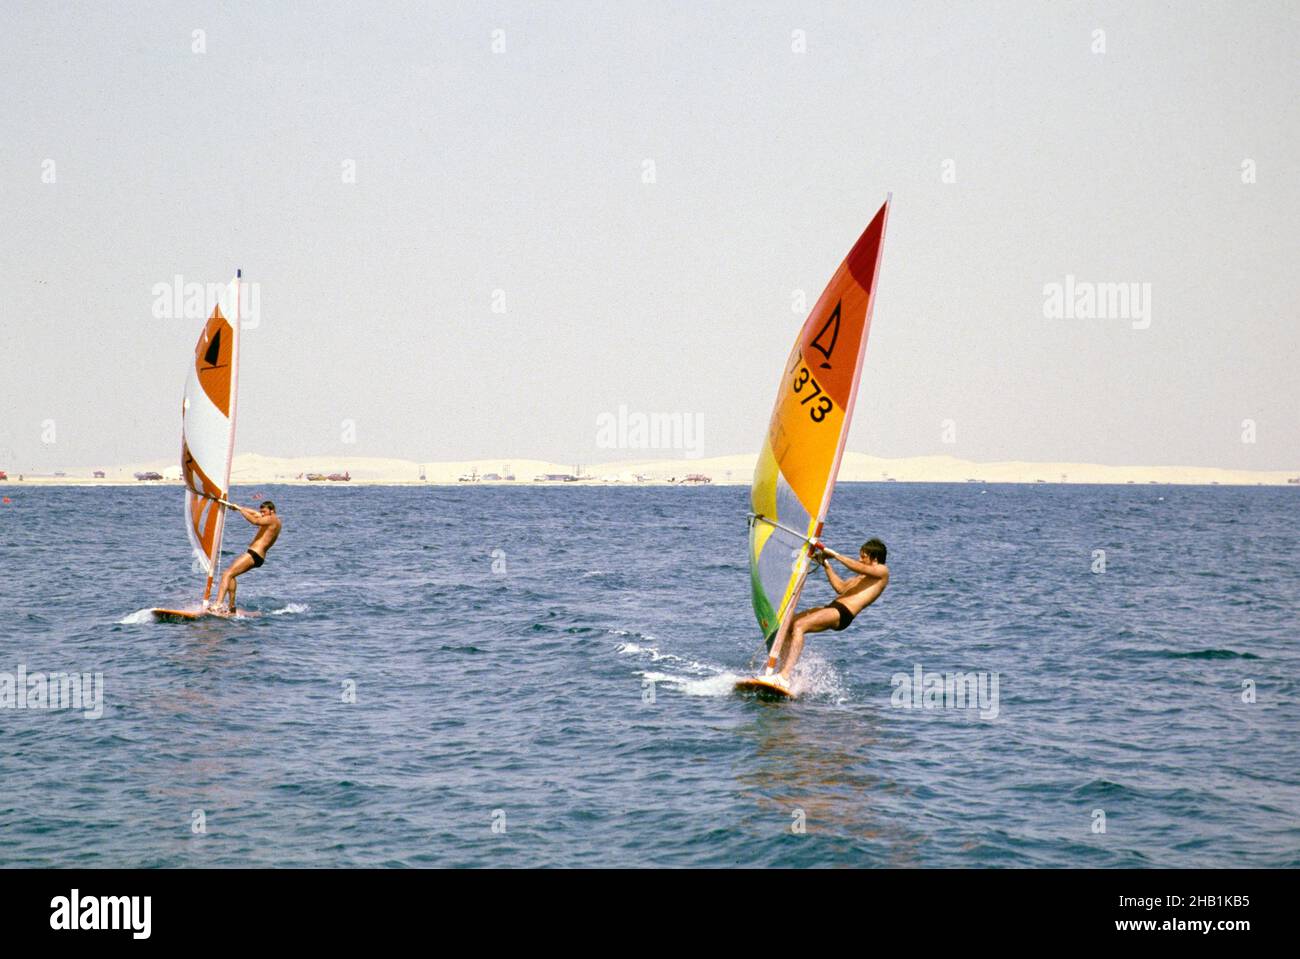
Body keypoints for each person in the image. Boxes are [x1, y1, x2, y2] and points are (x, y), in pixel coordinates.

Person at [762, 538, 889, 689]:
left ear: (874, 558)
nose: (859, 559)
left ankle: (784, 676)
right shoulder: (861, 577)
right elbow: (841, 588)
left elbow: (857, 567)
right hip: (833, 607)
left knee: (799, 626)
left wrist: (835, 555)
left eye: (863, 557)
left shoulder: (882, 571)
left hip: (843, 613)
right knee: (787, 624)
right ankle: (781, 672)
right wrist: (825, 563)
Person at [211, 500, 282, 614]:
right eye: (261, 512)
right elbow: (255, 514)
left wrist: (241, 511)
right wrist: (237, 507)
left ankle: (218, 604)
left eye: (264, 512)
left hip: (254, 554)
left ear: (272, 511)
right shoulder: (272, 519)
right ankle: (232, 607)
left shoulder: (272, 519)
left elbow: (255, 520)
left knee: (226, 574)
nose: (262, 514)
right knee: (231, 575)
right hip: (257, 556)